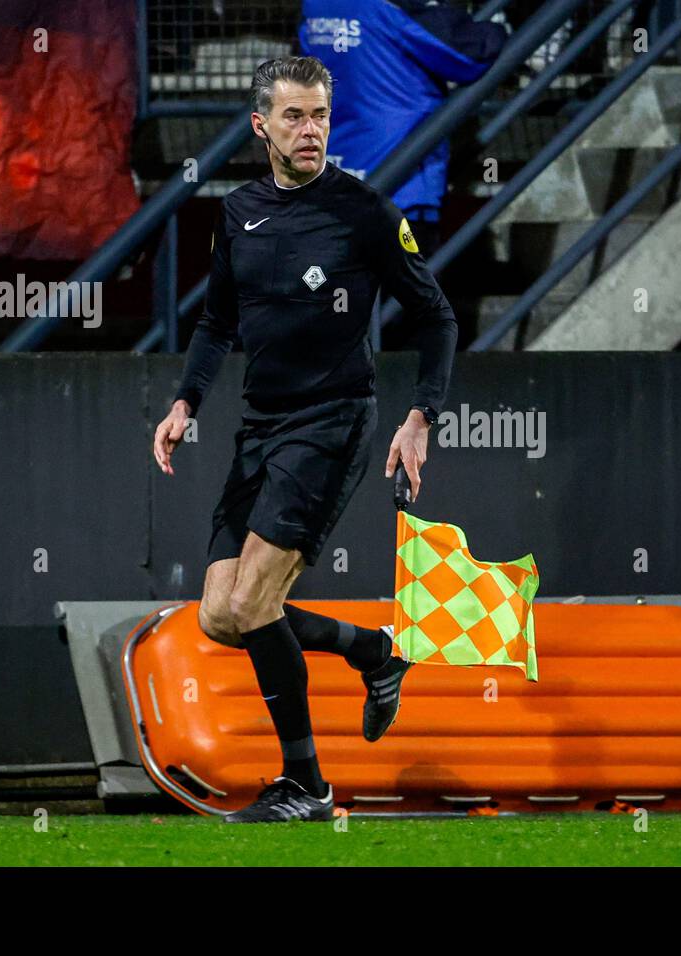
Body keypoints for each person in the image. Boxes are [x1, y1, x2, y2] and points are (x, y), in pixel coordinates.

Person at [152, 55, 458, 823]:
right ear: (261, 126)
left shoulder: (363, 212)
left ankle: (307, 786)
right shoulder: (239, 213)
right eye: (294, 116)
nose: (311, 129)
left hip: (332, 423)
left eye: (320, 114)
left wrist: (420, 415)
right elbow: (218, 320)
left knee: (256, 600)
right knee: (220, 614)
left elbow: (437, 318)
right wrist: (186, 401)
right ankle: (372, 651)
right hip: (261, 425)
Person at [299, 1, 507, 342]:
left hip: (337, 172)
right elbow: (468, 54)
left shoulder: (316, 6)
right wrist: (498, 28)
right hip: (401, 184)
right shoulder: (396, 7)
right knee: (404, 326)